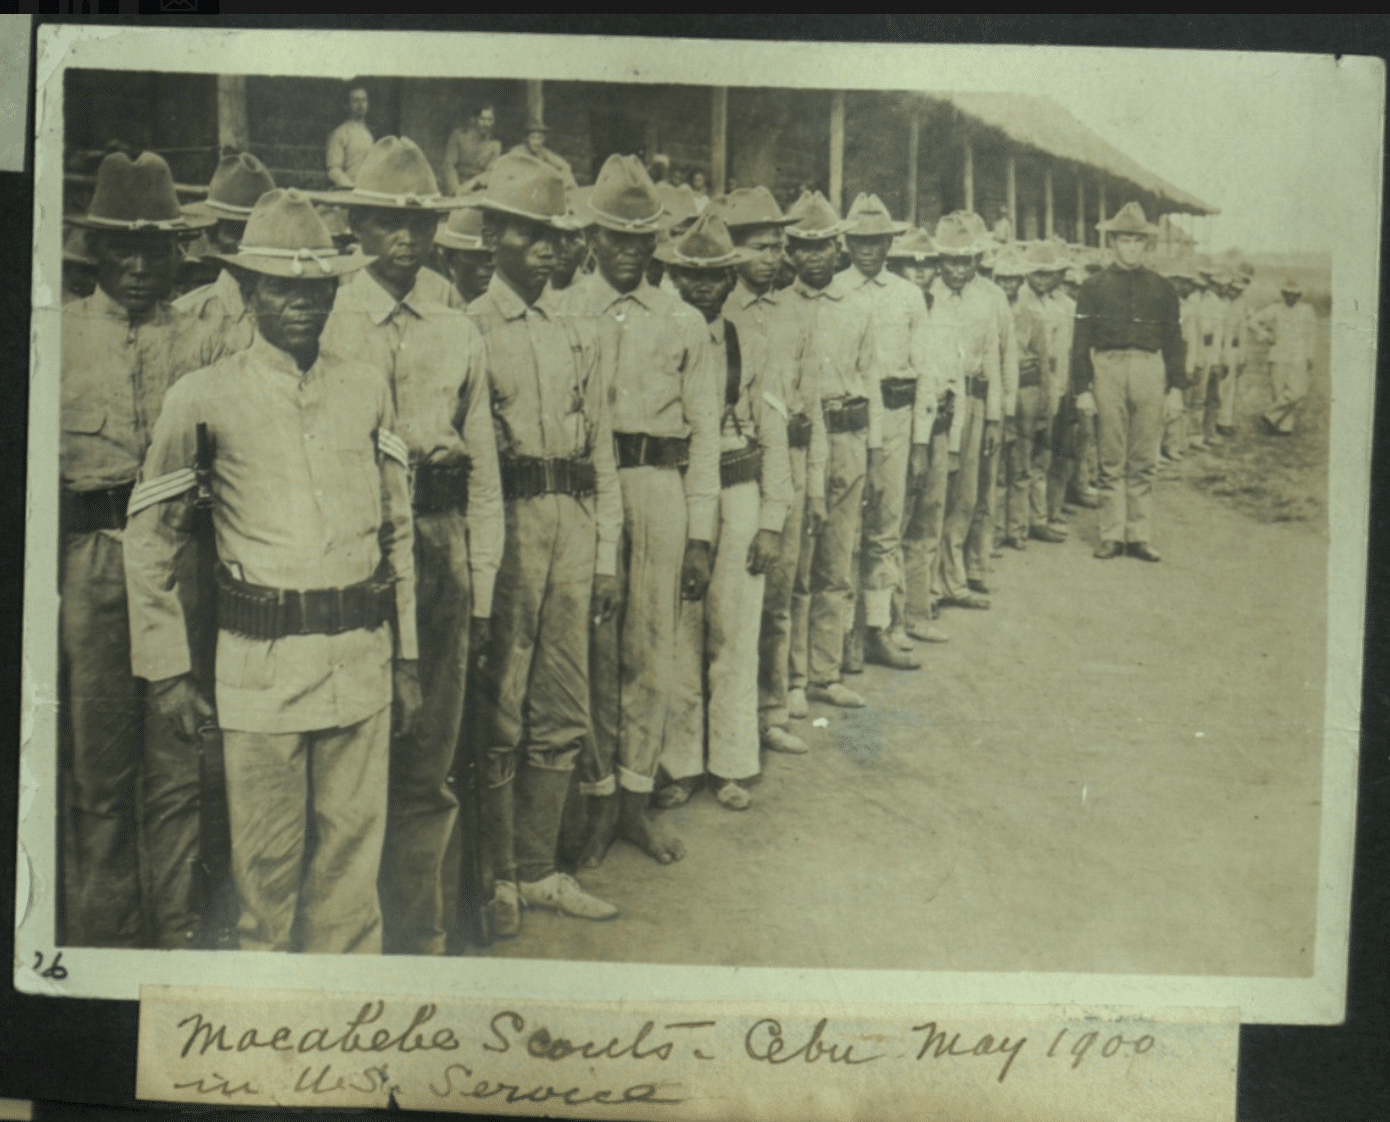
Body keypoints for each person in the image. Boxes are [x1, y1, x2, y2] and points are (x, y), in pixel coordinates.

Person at [124, 188, 414, 954]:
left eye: (314, 289)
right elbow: (149, 541)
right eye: (281, 287)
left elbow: (398, 530)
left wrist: (407, 654)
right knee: (265, 885)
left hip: (359, 666)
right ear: (250, 291)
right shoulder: (203, 398)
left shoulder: (364, 386)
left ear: (333, 292)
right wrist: (165, 673)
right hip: (259, 676)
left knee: (352, 886)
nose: (300, 305)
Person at [317, 136, 504, 955]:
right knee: (354, 761)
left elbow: (485, 472)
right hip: (354, 554)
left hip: (440, 546)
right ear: (355, 223)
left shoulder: (456, 328)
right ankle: (351, 939)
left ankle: (422, 938)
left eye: (419, 221)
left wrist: (484, 585)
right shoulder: (323, 316)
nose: (405, 236)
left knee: (430, 760)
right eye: (386, 220)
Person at [61, 151, 221, 950]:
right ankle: (104, 940)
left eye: (152, 248)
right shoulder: (53, 337)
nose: (135, 265)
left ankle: (178, 930)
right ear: (94, 250)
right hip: (89, 563)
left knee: (179, 760)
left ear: (173, 255)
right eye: (120, 248)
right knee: (99, 770)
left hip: (181, 564)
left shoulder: (201, 345)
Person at [464, 153, 621, 933]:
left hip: (573, 522)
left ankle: (541, 869)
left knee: (563, 699)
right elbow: (477, 470)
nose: (549, 252)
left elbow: (602, 455)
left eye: (559, 238)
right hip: (509, 529)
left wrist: (607, 556)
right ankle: (496, 875)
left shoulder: (577, 330)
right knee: (500, 702)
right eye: (531, 236)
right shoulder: (470, 329)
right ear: (493, 235)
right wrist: (482, 573)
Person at [566, 154, 716, 867]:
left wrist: (703, 535)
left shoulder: (685, 322)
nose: (627, 250)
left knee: (652, 653)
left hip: (659, 488)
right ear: (591, 237)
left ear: (657, 240)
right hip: (588, 491)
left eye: (640, 238)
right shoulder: (565, 309)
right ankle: (596, 801)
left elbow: (708, 435)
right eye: (613, 236)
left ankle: (635, 801)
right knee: (592, 652)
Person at [655, 210, 793, 812]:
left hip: (739, 492)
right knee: (680, 633)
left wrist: (770, 520)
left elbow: (775, 435)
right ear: (675, 277)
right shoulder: (659, 338)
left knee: (734, 631)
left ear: (730, 280)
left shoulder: (751, 341)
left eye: (715, 277)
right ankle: (678, 762)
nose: (703, 287)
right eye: (692, 276)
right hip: (678, 492)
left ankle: (732, 762)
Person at [713, 187, 823, 758]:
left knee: (779, 592)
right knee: (727, 606)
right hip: (734, 469)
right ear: (731, 249)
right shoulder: (716, 309)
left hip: (790, 464)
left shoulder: (797, 315)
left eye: (779, 246)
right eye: (760, 246)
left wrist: (815, 479)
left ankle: (771, 709)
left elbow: (813, 403)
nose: (773, 257)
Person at [783, 191, 875, 710]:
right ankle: (793, 679)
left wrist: (872, 444)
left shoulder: (857, 306)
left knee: (838, 561)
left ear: (838, 248)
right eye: (803, 246)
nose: (814, 256)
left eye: (823, 246)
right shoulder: (779, 307)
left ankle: (825, 672)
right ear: (790, 251)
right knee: (798, 564)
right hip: (799, 444)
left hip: (846, 439)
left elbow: (869, 379)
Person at [839, 193, 934, 671]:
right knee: (843, 533)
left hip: (897, 422)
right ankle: (841, 638)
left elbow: (926, 373)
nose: (868, 250)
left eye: (877, 241)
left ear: (889, 243)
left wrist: (920, 442)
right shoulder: (833, 291)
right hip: (847, 427)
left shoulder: (908, 295)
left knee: (883, 532)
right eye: (859, 241)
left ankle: (876, 629)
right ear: (847, 241)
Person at [1071, 202, 1185, 563]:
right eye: (1124, 240)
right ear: (1113, 243)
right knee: (1110, 456)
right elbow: (1080, 341)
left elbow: (1174, 340)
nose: (1130, 247)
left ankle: (1138, 534)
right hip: (1108, 368)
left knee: (1143, 457)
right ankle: (1110, 534)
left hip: (1150, 368)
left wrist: (1177, 388)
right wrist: (1082, 389)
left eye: (1137, 241)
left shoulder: (1163, 289)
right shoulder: (1092, 287)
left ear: (1146, 245)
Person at [929, 211, 1001, 613]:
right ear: (939, 261)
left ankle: (954, 580)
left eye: (966, 260)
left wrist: (992, 418)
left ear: (976, 262)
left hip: (974, 402)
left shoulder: (985, 300)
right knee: (937, 495)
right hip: (940, 406)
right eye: (951, 260)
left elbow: (991, 359)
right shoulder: (927, 296)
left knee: (966, 497)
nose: (958, 268)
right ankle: (930, 588)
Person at [889, 228, 956, 646]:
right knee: (894, 521)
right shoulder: (892, 307)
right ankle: (891, 621)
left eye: (927, 265)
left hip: (938, 425)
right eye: (910, 265)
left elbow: (954, 382)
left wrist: (954, 435)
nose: (920, 273)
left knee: (929, 520)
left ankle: (917, 610)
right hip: (904, 423)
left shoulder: (945, 312)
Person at [173, 152, 277, 356]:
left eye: (263, 230)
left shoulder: (301, 316)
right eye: (238, 231)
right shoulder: (186, 317)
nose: (251, 244)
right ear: (212, 236)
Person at [992, 246, 1052, 552]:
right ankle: (996, 530)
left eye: (1013, 279)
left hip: (1026, 392)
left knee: (1022, 463)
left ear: (1020, 281)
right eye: (1001, 279)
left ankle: (1018, 529)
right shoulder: (989, 312)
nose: (1007, 285)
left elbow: (1043, 362)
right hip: (998, 391)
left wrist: (1044, 405)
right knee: (997, 465)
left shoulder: (1032, 316)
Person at [1252, 276, 1316, 435]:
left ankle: (1269, 415)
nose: (1291, 297)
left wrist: (1310, 355)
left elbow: (1312, 334)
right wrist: (1266, 335)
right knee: (1278, 392)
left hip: (1298, 356)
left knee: (1297, 393)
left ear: (1299, 295)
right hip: (1278, 355)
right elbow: (1253, 321)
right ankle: (1283, 427)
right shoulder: (1275, 308)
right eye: (1287, 293)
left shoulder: (1307, 310)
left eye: (1295, 294)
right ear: (1283, 293)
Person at [1158, 261, 1202, 463]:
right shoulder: (1158, 300)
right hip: (1160, 353)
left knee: (1177, 400)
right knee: (1158, 401)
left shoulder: (1189, 306)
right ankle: (1156, 449)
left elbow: (1193, 338)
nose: (1186, 286)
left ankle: (1173, 445)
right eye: (1181, 281)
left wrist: (1191, 364)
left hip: (1179, 352)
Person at [433, 205, 494, 307]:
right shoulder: (434, 307)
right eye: (476, 256)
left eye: (495, 254)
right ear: (450, 260)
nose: (491, 263)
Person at [443, 103, 502, 196]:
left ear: (494, 121)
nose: (486, 123)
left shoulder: (495, 144)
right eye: (482, 119)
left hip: (478, 191)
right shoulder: (459, 136)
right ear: (474, 119)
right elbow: (449, 165)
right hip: (456, 189)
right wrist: (455, 190)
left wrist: (473, 183)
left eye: (490, 119)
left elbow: (490, 172)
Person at [509, 116, 577, 190]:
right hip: (523, 188)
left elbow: (565, 166)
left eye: (539, 138)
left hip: (540, 187)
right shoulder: (517, 151)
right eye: (533, 138)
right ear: (526, 139)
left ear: (543, 139)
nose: (536, 142)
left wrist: (560, 175)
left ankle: (574, 196)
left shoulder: (543, 152)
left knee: (566, 175)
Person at [326, 85, 373, 189]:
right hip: (347, 192)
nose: (361, 104)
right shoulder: (340, 133)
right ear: (347, 105)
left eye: (364, 100)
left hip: (367, 191)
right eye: (355, 101)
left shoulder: (369, 135)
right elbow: (333, 170)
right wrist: (351, 187)